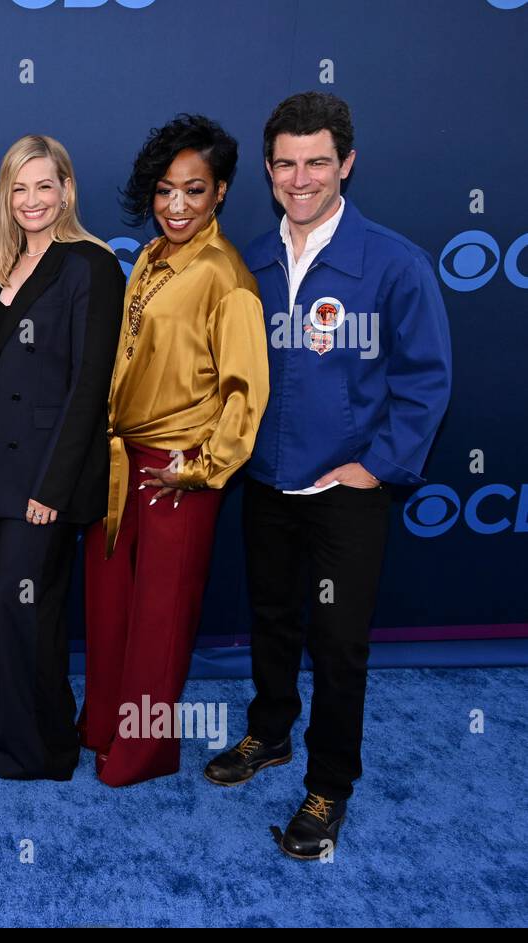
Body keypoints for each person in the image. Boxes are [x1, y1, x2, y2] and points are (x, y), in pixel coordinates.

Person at [207, 92, 452, 859]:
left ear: (346, 164)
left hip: (346, 493)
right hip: (268, 483)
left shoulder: (393, 262)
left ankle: (329, 783)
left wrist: (376, 467)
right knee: (273, 618)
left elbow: (426, 378)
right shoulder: (249, 260)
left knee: (339, 642)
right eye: (286, 163)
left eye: (318, 161)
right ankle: (269, 734)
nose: (301, 177)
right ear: (270, 170)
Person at [79, 115, 269, 787]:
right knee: (111, 610)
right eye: (164, 191)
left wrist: (198, 470)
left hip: (176, 471)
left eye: (194, 190)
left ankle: (143, 751)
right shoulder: (156, 256)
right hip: (122, 462)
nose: (177, 205)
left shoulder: (227, 276)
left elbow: (246, 393)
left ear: (220, 192)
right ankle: (102, 724)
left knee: (159, 623)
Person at [0, 135, 123, 781]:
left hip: (43, 476)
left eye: (44, 186)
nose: (32, 200)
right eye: (19, 187)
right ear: (6, 195)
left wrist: (54, 487)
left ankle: (43, 751)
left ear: (66, 190)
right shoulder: (3, 271)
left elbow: (90, 385)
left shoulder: (89, 264)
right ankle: (1, 726)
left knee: (31, 608)